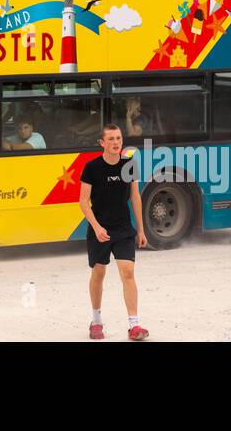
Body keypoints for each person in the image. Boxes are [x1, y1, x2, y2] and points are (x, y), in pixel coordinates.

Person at [80, 123, 148, 340]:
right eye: (110, 139)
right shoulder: (91, 167)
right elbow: (83, 202)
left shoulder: (130, 164)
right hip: (100, 229)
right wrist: (97, 227)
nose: (116, 142)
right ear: (102, 143)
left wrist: (141, 229)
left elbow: (135, 197)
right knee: (98, 273)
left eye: (118, 138)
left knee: (128, 272)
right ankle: (96, 320)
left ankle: (134, 325)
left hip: (123, 228)